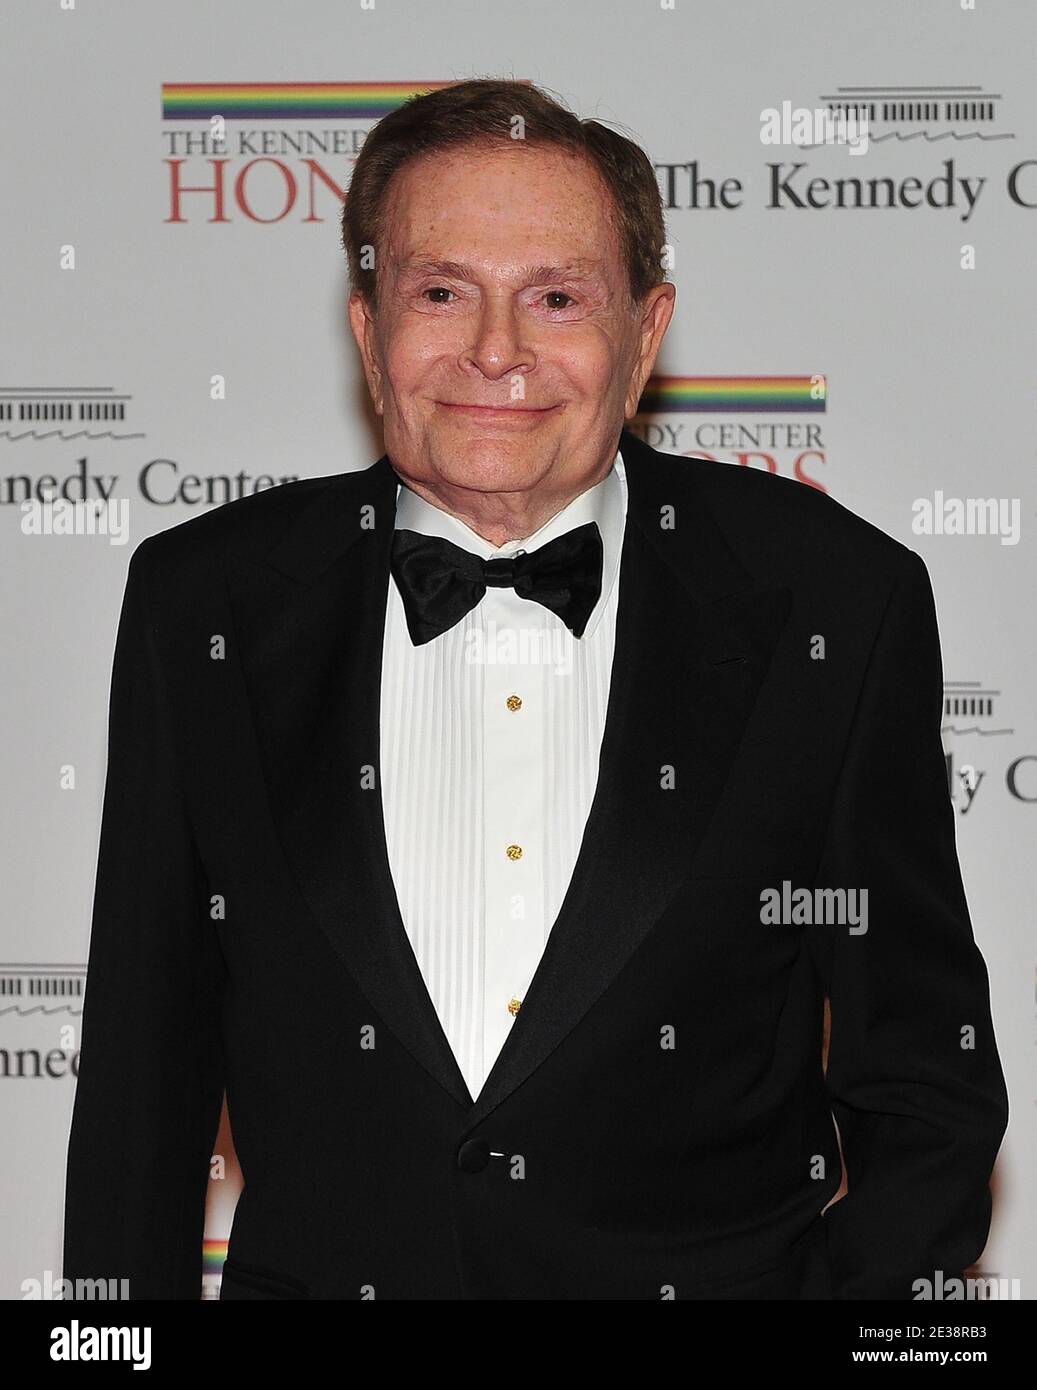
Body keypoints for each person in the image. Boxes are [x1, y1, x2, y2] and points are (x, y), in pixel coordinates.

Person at [62, 77, 1009, 1301]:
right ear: (366, 326)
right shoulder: (206, 603)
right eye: (440, 291)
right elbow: (144, 1083)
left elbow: (922, 1077)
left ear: (645, 334)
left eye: (556, 298)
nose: (495, 351)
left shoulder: (831, 602)